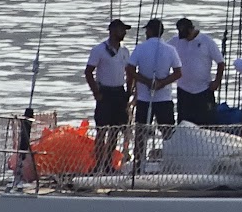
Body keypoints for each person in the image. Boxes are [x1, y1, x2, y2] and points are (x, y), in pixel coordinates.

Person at [128, 18, 183, 160]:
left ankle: (138, 160)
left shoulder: (140, 48)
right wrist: (162, 83)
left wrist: (146, 82)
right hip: (164, 98)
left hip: (144, 98)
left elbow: (130, 69)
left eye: (147, 30)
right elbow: (178, 73)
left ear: (150, 31)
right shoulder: (170, 49)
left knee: (141, 132)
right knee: (167, 132)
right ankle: (171, 160)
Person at [84, 18, 133, 172]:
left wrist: (129, 91)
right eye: (121, 30)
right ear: (112, 31)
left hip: (119, 92)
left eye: (124, 30)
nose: (124, 33)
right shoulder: (99, 50)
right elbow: (88, 72)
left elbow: (129, 72)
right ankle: (98, 163)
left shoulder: (125, 51)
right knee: (101, 130)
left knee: (115, 130)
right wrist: (96, 92)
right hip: (105, 92)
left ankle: (108, 163)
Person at [173, 16, 225, 127]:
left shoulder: (207, 41)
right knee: (184, 124)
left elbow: (220, 63)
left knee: (207, 124)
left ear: (191, 29)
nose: (185, 38)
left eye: (186, 34)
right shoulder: (176, 41)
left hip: (203, 89)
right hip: (183, 90)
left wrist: (217, 81)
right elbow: (163, 50)